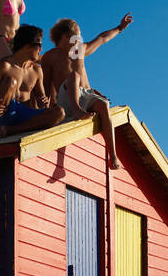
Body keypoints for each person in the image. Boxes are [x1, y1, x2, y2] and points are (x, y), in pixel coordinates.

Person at [40, 14, 133, 169]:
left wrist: (120, 28)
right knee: (74, 76)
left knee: (104, 105)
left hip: (85, 94)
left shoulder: (80, 50)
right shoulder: (51, 56)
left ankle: (113, 157)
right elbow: (46, 84)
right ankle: (77, 110)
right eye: (76, 35)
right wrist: (48, 106)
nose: (79, 39)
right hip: (67, 99)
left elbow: (102, 38)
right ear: (65, 36)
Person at [0, 25, 64, 137]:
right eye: (39, 45)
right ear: (27, 46)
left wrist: (44, 102)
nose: (41, 50)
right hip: (4, 114)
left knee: (59, 112)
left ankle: (10, 130)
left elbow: (42, 101)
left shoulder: (36, 70)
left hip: (25, 117)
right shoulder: (5, 66)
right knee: (11, 82)